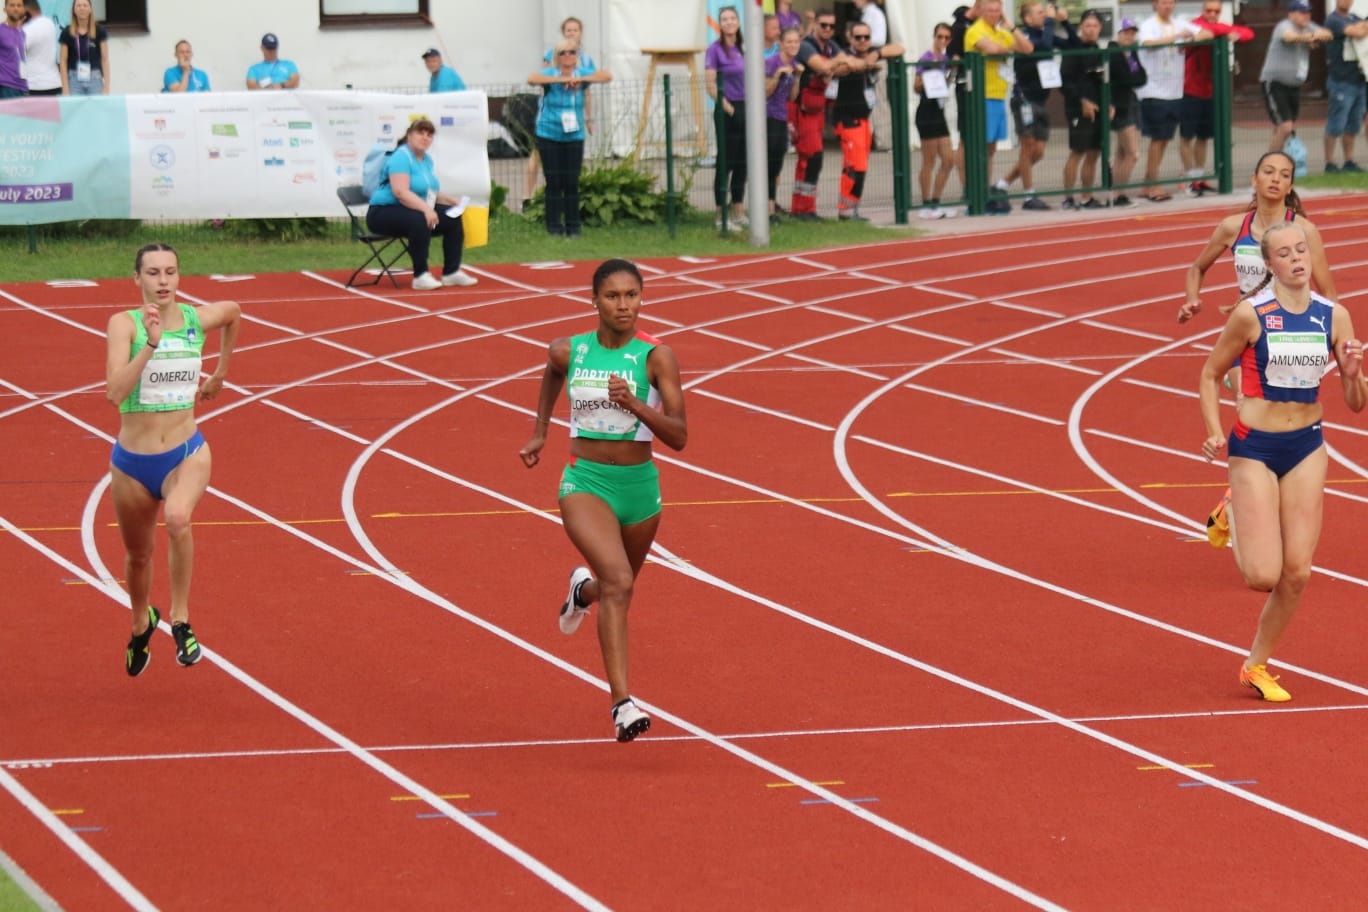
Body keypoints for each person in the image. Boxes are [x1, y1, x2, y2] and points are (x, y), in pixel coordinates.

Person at [519, 258, 688, 742]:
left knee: (618, 587)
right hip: (585, 481)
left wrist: (635, 403)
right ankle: (623, 704)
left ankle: (581, 592)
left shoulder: (656, 358)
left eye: (632, 295)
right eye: (612, 296)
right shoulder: (570, 350)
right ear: (593, 300)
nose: (623, 305)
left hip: (641, 489)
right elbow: (552, 371)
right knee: (618, 580)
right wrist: (540, 433)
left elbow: (679, 437)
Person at [1198, 221, 1365, 703]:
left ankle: (1256, 665)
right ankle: (1231, 507)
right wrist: (1213, 431)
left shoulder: (1335, 316)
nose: (1297, 259)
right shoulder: (1252, 315)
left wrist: (1353, 374)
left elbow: (1356, 402)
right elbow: (1210, 374)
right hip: (1254, 445)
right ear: (1269, 264)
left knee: (1298, 573)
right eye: (1285, 253)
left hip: (1307, 445)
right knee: (1261, 577)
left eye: (1302, 250)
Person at [106, 243, 241, 677]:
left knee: (179, 518)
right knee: (137, 557)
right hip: (132, 464)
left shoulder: (195, 321)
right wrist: (150, 344)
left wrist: (220, 372)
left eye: (170, 272)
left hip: (186, 451)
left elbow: (234, 311)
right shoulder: (123, 325)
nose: (162, 281)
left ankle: (181, 620)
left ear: (179, 277)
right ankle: (141, 621)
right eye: (153, 273)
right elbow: (114, 393)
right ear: (137, 279)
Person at [365, 118, 478, 290]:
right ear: (409, 136)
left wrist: (453, 201)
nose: (425, 137)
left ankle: (451, 272)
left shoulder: (426, 160)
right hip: (382, 213)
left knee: (452, 217)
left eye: (429, 134)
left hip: (410, 209)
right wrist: (426, 209)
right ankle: (420, 275)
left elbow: (429, 193)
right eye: (420, 133)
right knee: (419, 219)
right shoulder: (400, 157)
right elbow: (400, 192)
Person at [529, 40, 610, 237]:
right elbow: (532, 78)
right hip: (548, 132)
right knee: (554, 181)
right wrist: (560, 81)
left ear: (576, 56)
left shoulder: (582, 73)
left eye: (571, 52)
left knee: (571, 181)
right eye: (563, 53)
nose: (567, 56)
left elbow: (606, 76)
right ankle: (553, 226)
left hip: (574, 134)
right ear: (557, 56)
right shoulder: (551, 73)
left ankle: (574, 227)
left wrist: (580, 80)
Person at [998, 2, 1073, 211]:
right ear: (1028, 19)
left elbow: (1072, 44)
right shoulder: (1025, 36)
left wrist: (1065, 22)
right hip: (1025, 99)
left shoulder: (1045, 34)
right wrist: (1050, 22)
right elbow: (1042, 48)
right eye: (1040, 13)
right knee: (1027, 147)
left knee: (1038, 152)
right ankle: (1029, 195)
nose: (1045, 16)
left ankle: (1001, 184)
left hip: (1041, 100)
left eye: (1044, 13)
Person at [1135, 0, 1212, 202]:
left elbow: (1207, 33)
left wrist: (1191, 37)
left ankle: (1146, 183)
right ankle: (1153, 184)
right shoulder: (1149, 25)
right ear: (1155, 5)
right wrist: (1176, 37)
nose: (1167, 6)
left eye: (1170, 2)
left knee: (1165, 139)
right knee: (1157, 139)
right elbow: (1147, 43)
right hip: (1153, 90)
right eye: (1163, 3)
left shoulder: (1180, 23)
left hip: (1174, 91)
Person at [965, 0, 1034, 214]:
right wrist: (1007, 49)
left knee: (991, 150)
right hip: (981, 96)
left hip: (997, 96)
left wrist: (1011, 26)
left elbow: (1027, 48)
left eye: (997, 10)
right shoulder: (976, 30)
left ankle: (984, 193)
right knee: (980, 149)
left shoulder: (1000, 30)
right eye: (990, 10)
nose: (994, 14)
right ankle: (975, 196)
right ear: (981, 11)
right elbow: (992, 49)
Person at [1178, 0, 1252, 196]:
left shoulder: (1219, 26)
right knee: (1187, 136)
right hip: (1190, 89)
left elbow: (1247, 33)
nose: (1212, 14)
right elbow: (1204, 32)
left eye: (1216, 11)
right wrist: (1224, 33)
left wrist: (1233, 34)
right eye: (1209, 10)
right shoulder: (1193, 24)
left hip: (1209, 91)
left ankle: (1199, 177)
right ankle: (1188, 178)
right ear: (1202, 10)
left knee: (1203, 137)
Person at [832, 23, 902, 221]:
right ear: (850, 38)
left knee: (861, 165)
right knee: (855, 166)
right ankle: (845, 210)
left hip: (863, 120)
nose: (862, 41)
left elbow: (900, 48)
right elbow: (840, 69)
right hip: (847, 119)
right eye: (858, 37)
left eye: (866, 37)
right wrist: (865, 64)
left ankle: (852, 208)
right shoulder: (843, 54)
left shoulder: (872, 52)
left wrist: (876, 54)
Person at [789, 8, 854, 220]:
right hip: (802, 109)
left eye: (831, 26)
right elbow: (823, 65)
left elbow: (846, 66)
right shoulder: (806, 45)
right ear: (815, 24)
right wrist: (832, 65)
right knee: (810, 157)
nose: (827, 29)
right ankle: (801, 208)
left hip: (818, 109)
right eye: (823, 25)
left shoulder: (830, 46)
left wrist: (831, 67)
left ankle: (806, 207)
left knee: (815, 158)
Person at [1258, 2, 1331, 154]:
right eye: (1302, 12)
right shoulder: (1284, 26)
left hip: (1294, 85)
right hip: (1275, 83)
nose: (1306, 16)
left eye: (1308, 12)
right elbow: (1289, 37)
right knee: (1286, 126)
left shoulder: (1308, 26)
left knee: (1283, 127)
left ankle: (1276, 160)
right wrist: (1309, 38)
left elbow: (1327, 34)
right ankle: (1267, 165)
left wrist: (1313, 36)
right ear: (1291, 14)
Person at [1060, 9, 1107, 211]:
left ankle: (1087, 197)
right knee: (1077, 152)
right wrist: (1082, 101)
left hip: (1099, 109)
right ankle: (1068, 198)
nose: (1091, 29)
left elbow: (1103, 81)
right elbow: (1065, 83)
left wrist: (1108, 103)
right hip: (1078, 110)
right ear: (1081, 27)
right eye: (1087, 25)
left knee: (1094, 153)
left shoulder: (1099, 50)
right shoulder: (1073, 50)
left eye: (1095, 25)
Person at [706, 6, 748, 230]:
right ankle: (721, 215)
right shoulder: (714, 50)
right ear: (720, 24)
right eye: (725, 19)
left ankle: (739, 210)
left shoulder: (745, 47)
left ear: (739, 22)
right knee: (726, 162)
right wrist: (730, 109)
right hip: (727, 109)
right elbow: (710, 84)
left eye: (733, 18)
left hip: (747, 107)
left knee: (743, 162)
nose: (729, 22)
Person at [915, 22, 958, 220]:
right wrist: (929, 77)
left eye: (946, 38)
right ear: (934, 36)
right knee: (929, 160)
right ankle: (925, 204)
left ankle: (935, 200)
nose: (942, 41)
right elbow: (916, 86)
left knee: (949, 159)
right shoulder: (927, 58)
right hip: (926, 110)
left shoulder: (946, 59)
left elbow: (946, 83)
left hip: (939, 110)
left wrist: (953, 71)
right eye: (939, 37)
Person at [763, 26, 802, 222]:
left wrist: (797, 77)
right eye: (789, 42)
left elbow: (793, 97)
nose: (793, 45)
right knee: (768, 163)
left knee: (777, 163)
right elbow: (765, 92)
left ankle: (772, 204)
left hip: (781, 117)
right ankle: (767, 209)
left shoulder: (794, 64)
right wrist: (777, 75)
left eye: (796, 41)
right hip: (767, 116)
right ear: (781, 43)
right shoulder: (772, 62)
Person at [1324, 0, 1368, 173]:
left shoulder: (1354, 17)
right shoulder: (1333, 20)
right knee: (1336, 123)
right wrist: (1362, 28)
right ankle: (1330, 162)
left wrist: (1362, 27)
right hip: (1340, 80)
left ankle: (1349, 160)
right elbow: (1355, 32)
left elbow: (1361, 28)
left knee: (1353, 124)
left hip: (1358, 79)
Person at [1108, 18, 1147, 207]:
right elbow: (1124, 78)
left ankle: (1117, 192)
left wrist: (1132, 78)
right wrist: (1131, 78)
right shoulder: (1112, 52)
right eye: (1126, 32)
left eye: (1132, 33)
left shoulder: (1131, 53)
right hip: (1119, 105)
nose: (1130, 36)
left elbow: (1141, 77)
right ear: (1119, 33)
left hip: (1130, 101)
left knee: (1122, 153)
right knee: (1133, 153)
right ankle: (1117, 193)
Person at [58, 0, 107, 95]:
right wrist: (65, 87)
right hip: (74, 80)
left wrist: (107, 86)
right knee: (75, 109)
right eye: (78, 6)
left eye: (85, 5)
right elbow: (63, 61)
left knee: (96, 109)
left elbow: (105, 59)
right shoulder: (67, 32)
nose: (82, 8)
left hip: (95, 79)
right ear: (74, 10)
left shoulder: (100, 31)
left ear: (90, 9)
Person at [20, 0, 59, 96]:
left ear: (26, 11)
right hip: (53, 82)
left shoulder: (29, 29)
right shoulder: (49, 23)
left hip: (35, 85)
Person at [0, 0, 25, 98]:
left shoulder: (22, 32)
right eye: (12, 5)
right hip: (7, 86)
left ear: (23, 9)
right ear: (5, 9)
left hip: (23, 86)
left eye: (19, 5)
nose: (16, 8)